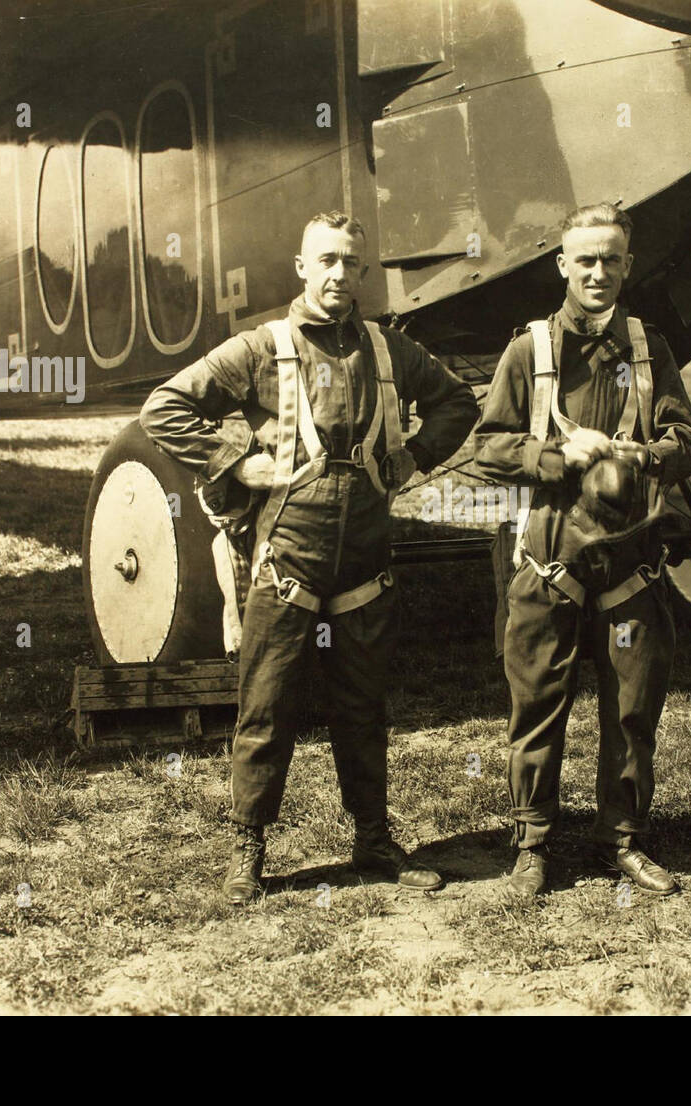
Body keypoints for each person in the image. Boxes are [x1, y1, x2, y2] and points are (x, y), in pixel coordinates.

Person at [140, 211, 479, 904]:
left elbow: (457, 402)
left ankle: (373, 841)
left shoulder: (389, 351)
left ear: (362, 272)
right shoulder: (262, 348)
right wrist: (238, 461)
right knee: (266, 706)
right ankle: (248, 846)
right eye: (323, 260)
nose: (336, 274)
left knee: (364, 706)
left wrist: (414, 455)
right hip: (286, 558)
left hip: (365, 562)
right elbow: (165, 408)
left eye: (349, 262)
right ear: (301, 267)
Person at [473, 203, 691, 898]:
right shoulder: (531, 351)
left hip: (629, 565)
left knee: (633, 710)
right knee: (537, 707)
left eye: (611, 259)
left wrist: (650, 457)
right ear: (562, 265)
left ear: (627, 265)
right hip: (548, 562)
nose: (598, 273)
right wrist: (557, 452)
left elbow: (690, 439)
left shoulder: (647, 347)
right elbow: (488, 447)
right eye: (585, 260)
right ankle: (533, 847)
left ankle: (627, 843)